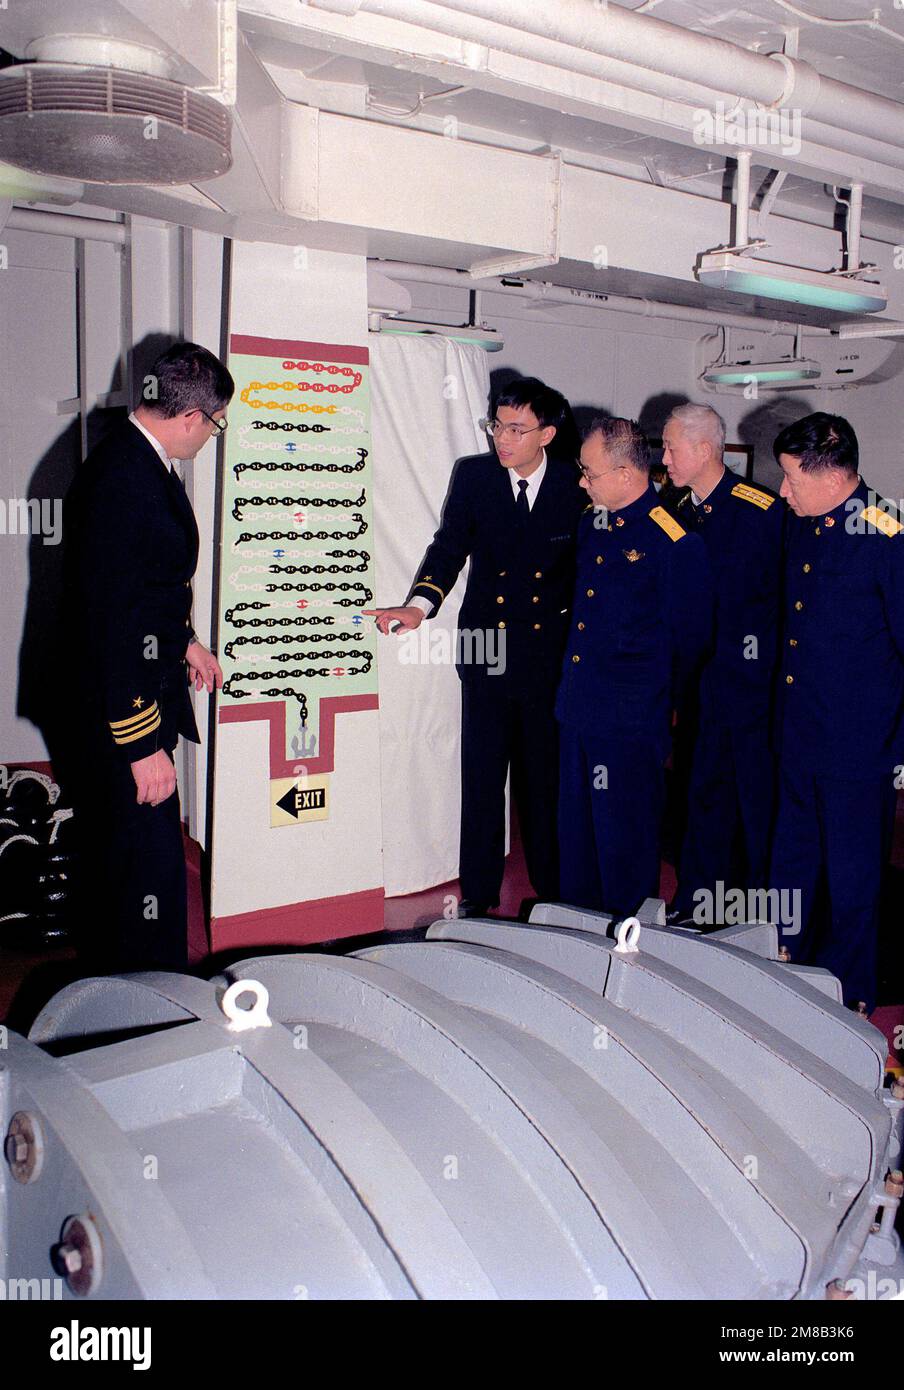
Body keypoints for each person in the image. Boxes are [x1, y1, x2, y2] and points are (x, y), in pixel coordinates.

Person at [367, 377, 585, 917]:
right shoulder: (476, 476)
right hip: (487, 647)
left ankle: (552, 895)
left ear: (548, 434)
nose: (501, 439)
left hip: (547, 656)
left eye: (516, 428)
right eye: (496, 425)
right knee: (483, 780)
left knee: (542, 783)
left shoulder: (574, 483)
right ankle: (480, 897)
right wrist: (418, 606)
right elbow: (449, 546)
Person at [64, 341, 233, 971]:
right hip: (121, 711)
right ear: (192, 418)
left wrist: (182, 640)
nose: (211, 436)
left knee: (134, 868)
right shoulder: (126, 479)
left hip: (120, 691)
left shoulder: (134, 460)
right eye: (216, 425)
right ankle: (147, 1017)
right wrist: (140, 743)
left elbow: (141, 589)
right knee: (145, 880)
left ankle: (130, 1000)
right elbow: (110, 620)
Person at [769, 412, 904, 1011]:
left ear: (833, 476)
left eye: (793, 478)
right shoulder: (804, 523)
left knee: (854, 881)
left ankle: (849, 999)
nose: (783, 490)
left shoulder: (887, 530)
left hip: (857, 744)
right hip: (800, 732)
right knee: (790, 865)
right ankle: (784, 969)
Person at [556, 418, 713, 918]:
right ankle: (578, 933)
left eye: (590, 472)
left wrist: (654, 704)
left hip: (630, 720)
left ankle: (629, 944)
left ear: (625, 474)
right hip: (580, 707)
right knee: (577, 837)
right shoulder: (592, 522)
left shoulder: (675, 538)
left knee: (625, 841)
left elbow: (690, 639)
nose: (582, 481)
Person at [662, 404, 783, 920]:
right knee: (701, 794)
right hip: (700, 685)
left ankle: (758, 914)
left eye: (671, 447)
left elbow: (775, 599)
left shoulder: (757, 509)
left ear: (705, 450)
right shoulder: (677, 511)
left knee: (755, 804)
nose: (663, 457)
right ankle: (699, 902)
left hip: (750, 685)